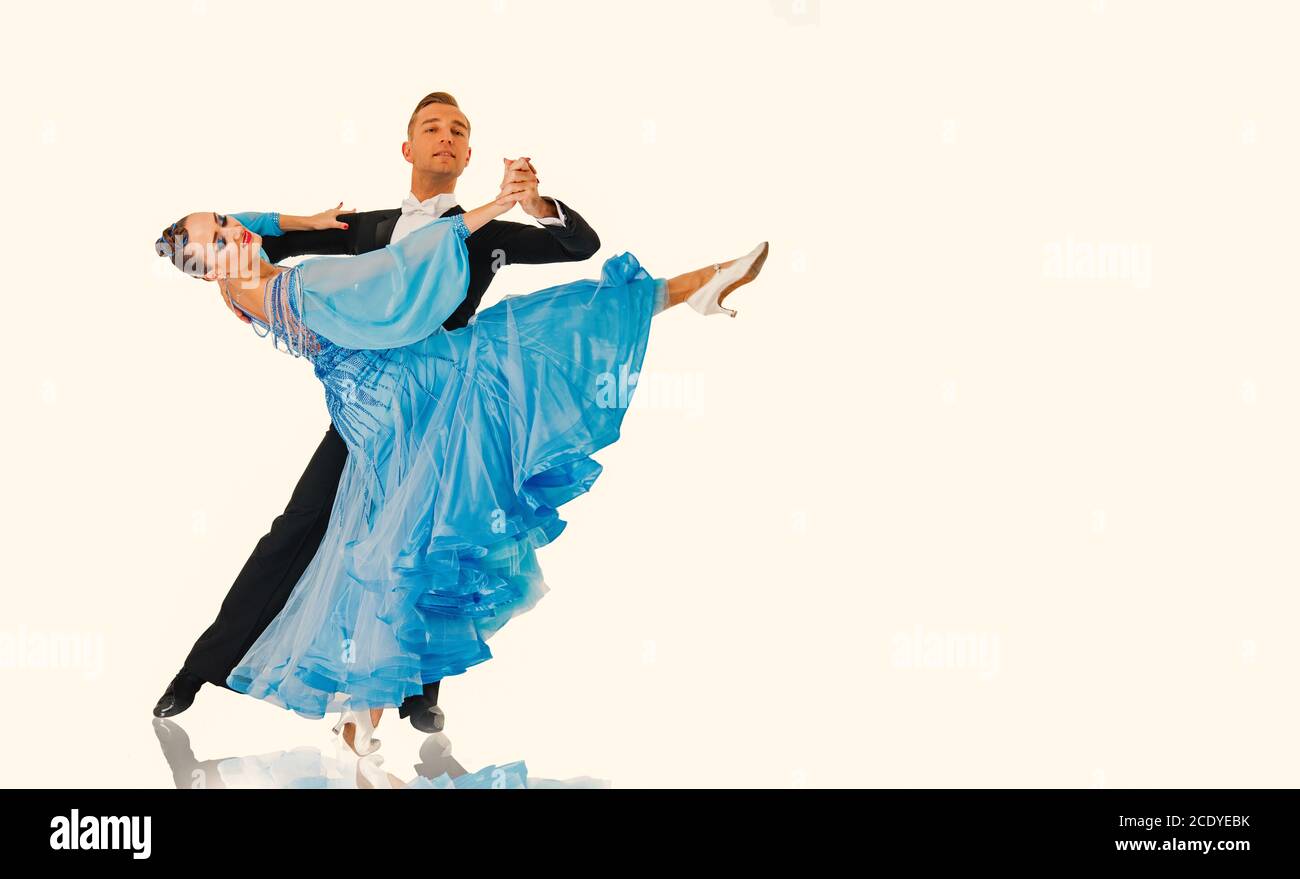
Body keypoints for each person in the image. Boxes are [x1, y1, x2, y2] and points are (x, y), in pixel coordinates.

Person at [155, 187, 767, 754]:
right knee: (527, 341)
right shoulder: (304, 285)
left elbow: (249, 228)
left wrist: (296, 223)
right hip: (411, 393)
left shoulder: (235, 289)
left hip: (369, 406)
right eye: (223, 237)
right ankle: (687, 288)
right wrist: (487, 206)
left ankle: (363, 714)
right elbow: (394, 274)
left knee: (393, 546)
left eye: (228, 221)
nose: (237, 230)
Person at [153, 92, 602, 733]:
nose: (444, 138)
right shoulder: (363, 229)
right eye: (431, 128)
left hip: (444, 407)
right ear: (408, 148)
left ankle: (421, 691)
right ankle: (203, 667)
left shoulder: (491, 231)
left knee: (436, 541)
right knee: (296, 530)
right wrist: (296, 217)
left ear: (469, 153)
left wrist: (536, 206)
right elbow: (248, 233)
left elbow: (580, 247)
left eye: (458, 131)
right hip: (366, 410)